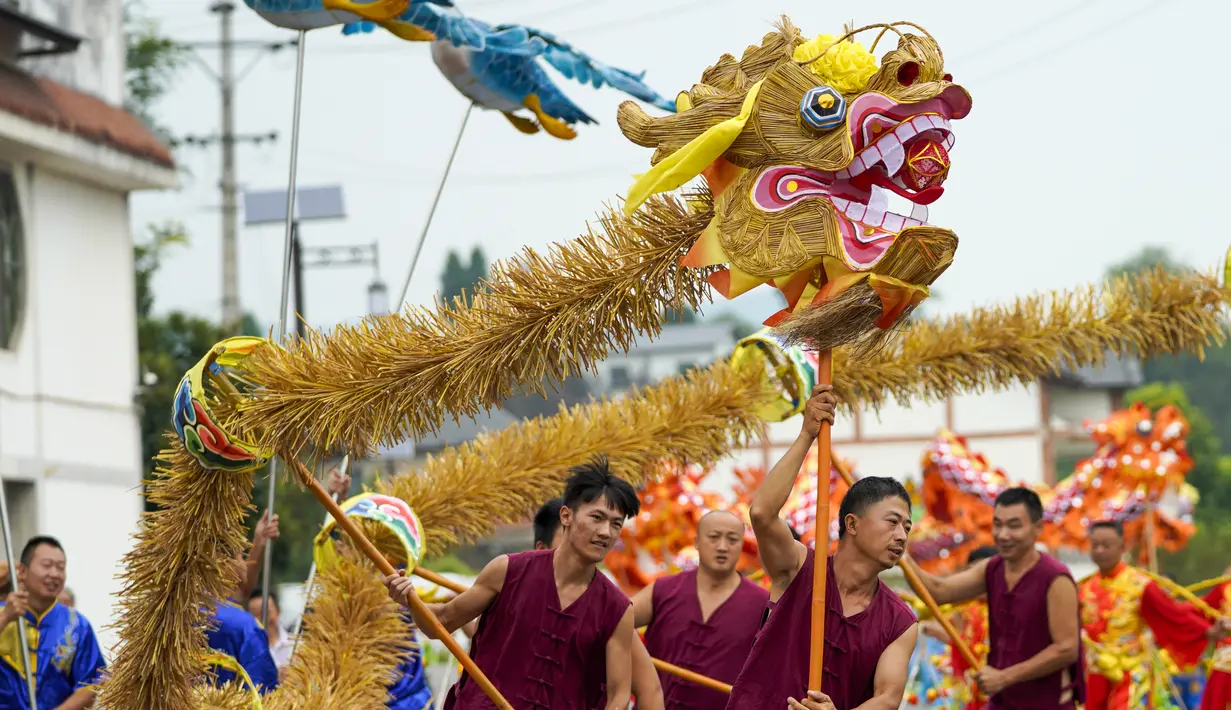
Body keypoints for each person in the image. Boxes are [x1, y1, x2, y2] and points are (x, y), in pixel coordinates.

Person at [384, 457, 639, 710]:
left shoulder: (617, 610)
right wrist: (409, 601)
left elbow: (618, 697)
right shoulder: (507, 571)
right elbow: (443, 621)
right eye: (597, 517)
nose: (605, 532)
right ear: (566, 516)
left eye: (616, 524)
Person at [726, 384, 919, 710]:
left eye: (907, 528)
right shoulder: (798, 568)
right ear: (852, 524)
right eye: (892, 522)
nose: (902, 535)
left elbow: (887, 699)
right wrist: (807, 435)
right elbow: (762, 513)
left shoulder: (900, 622)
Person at [905, 487, 1084, 710]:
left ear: (1038, 527)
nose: (1003, 534)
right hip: (1001, 702)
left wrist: (1005, 677)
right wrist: (904, 558)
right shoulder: (992, 568)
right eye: (998, 524)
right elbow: (938, 592)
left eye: (1014, 526)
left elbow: (1066, 649)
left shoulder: (1056, 578)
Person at [632, 509, 768, 709]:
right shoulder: (665, 589)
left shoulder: (762, 603)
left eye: (732, 540)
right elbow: (611, 622)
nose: (722, 547)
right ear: (696, 542)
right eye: (714, 537)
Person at [1079, 520, 1215, 710]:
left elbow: (1173, 615)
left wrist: (1208, 631)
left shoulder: (1140, 585)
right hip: (1095, 675)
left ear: (1122, 546)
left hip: (1130, 673)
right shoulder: (1084, 588)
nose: (1100, 551)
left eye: (1107, 545)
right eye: (1095, 545)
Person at [0, 536, 106, 710]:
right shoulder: (4, 613)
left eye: (60, 567)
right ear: (23, 572)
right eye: (47, 565)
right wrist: (5, 618)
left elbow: (91, 684)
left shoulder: (77, 625)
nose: (55, 573)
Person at [920, 545, 997, 710]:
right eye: (972, 574)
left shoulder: (1007, 606)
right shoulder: (964, 608)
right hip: (973, 684)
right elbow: (961, 643)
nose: (979, 582)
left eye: (984, 574)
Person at [247, 590, 293, 669]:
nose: (263, 619)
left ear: (278, 611)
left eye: (267, 612)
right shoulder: (245, 650)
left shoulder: (296, 645)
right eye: (256, 614)